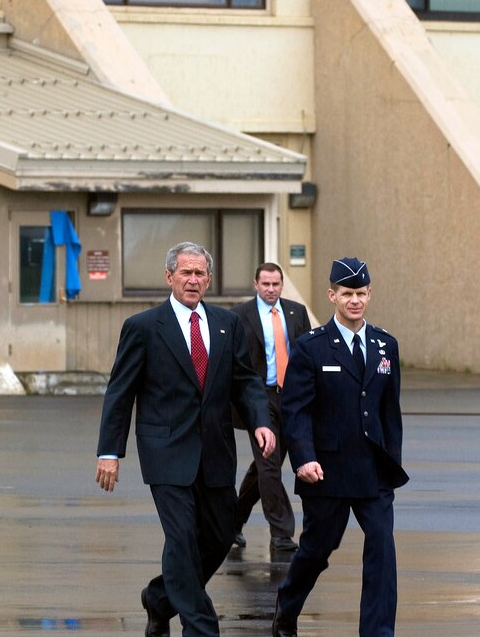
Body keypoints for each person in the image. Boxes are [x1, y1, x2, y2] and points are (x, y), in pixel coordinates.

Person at [95, 241, 276, 637]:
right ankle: (201, 626)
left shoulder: (227, 325)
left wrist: (261, 421)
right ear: (169, 277)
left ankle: (160, 599)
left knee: (219, 536)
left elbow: (245, 381)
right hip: (166, 454)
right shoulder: (143, 327)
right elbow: (120, 392)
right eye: (185, 273)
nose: (193, 280)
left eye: (200, 274)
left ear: (208, 279)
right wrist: (110, 452)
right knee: (180, 539)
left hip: (215, 452)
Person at [273, 257, 409, 637]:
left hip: (374, 472)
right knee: (317, 550)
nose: (354, 301)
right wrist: (303, 458)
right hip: (326, 472)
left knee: (382, 549)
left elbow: (390, 412)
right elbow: (294, 410)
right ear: (332, 295)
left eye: (361, 293)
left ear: (369, 295)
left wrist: (392, 463)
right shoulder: (310, 348)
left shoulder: (385, 345)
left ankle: (378, 631)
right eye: (347, 293)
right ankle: (287, 606)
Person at [232, 262, 311, 551]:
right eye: (265, 284)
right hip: (258, 398)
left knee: (268, 466)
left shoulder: (296, 312)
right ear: (255, 284)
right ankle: (281, 532)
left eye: (276, 284)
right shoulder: (239, 316)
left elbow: (307, 357)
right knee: (269, 464)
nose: (271, 289)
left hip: (290, 397)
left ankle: (232, 523)